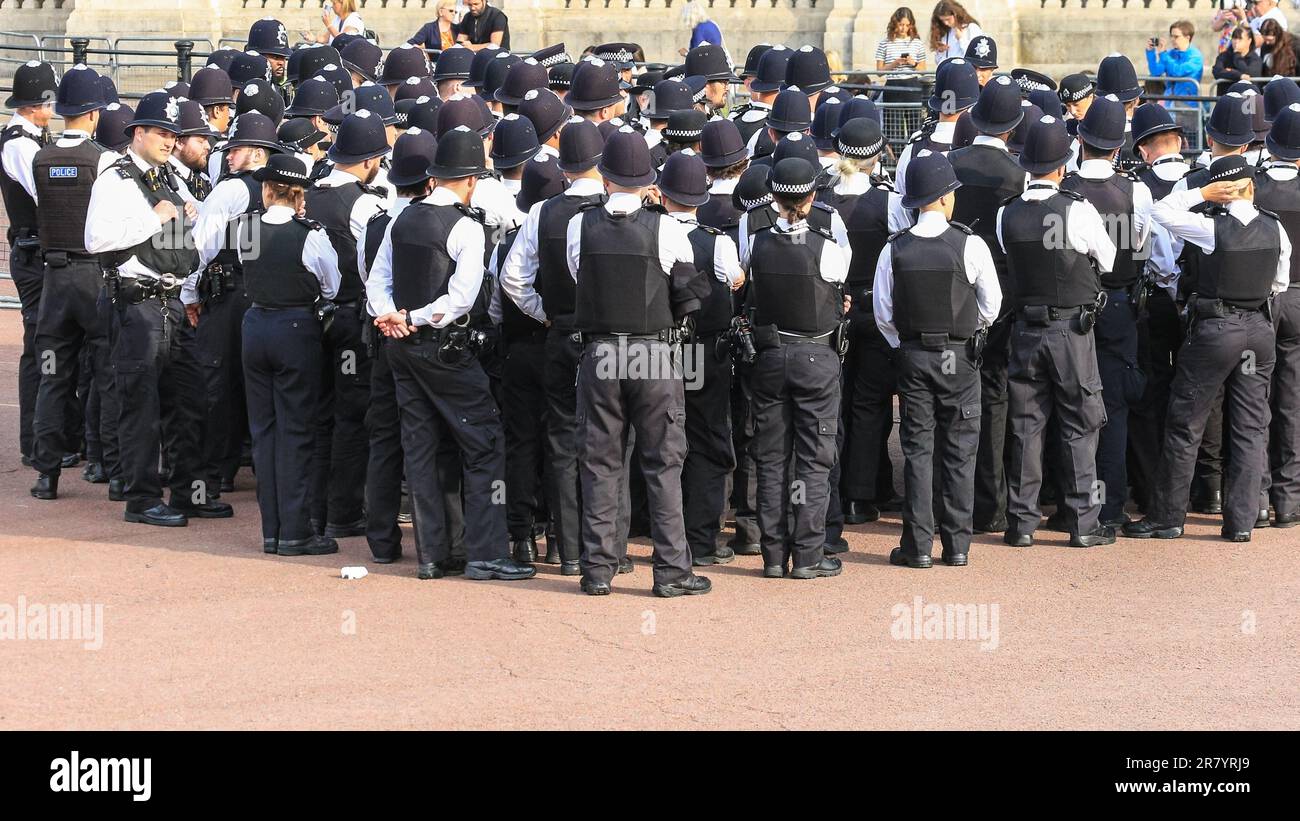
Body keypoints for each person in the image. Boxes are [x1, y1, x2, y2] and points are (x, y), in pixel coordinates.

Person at [369, 126, 536, 582]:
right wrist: (414, 317)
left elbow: (376, 279)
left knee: (421, 448)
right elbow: (462, 299)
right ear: (470, 180)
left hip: (400, 348)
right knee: (484, 445)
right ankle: (485, 553)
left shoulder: (400, 218)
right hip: (445, 350)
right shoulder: (467, 226)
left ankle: (431, 555)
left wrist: (391, 316)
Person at [565, 126, 712, 597]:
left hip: (600, 352)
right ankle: (671, 572)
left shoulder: (578, 224)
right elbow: (691, 294)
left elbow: (577, 275)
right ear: (650, 181)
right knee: (663, 465)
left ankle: (598, 570)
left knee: (600, 464)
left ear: (604, 177)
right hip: (652, 353)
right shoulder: (668, 228)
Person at [84, 92, 233, 527]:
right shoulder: (116, 177)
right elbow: (96, 240)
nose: (169, 141)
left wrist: (188, 210)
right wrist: (158, 217)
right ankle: (141, 498)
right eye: (161, 133)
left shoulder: (166, 176)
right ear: (138, 133)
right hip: (134, 304)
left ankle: (191, 492)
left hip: (168, 301)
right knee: (141, 407)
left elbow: (192, 217)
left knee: (188, 401)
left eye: (173, 134)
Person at [1125, 155, 1288, 542]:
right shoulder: (1275, 228)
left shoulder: (1211, 227)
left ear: (1222, 191)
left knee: (1186, 423)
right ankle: (1242, 522)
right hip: (1259, 330)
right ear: (1252, 186)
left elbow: (1160, 211)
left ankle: (1167, 518)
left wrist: (1199, 192)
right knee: (1251, 426)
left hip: (1216, 330)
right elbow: (1279, 283)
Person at [875, 149, 1001, 568]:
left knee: (918, 450)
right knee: (960, 451)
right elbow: (992, 306)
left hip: (913, 357)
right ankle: (958, 546)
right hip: (960, 359)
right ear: (947, 198)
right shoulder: (971, 244)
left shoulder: (893, 249)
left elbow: (884, 315)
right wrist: (965, 332)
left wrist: (907, 347)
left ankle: (917, 547)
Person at [995, 113, 1117, 548]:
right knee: (1080, 424)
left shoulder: (1005, 213)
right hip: (1070, 331)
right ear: (1064, 166)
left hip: (1025, 331)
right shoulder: (1078, 209)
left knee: (1026, 427)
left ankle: (1021, 524)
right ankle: (1084, 523)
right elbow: (1108, 260)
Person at [499, 120, 607, 577]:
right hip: (608, 339)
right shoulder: (620, 210)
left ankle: (566, 550)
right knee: (608, 443)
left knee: (561, 442)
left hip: (559, 335)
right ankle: (604, 547)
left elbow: (511, 279)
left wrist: (546, 314)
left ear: (564, 168)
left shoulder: (543, 212)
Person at [1060, 95, 1168, 529]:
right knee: (1115, 406)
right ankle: (1110, 505)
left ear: (1081, 139)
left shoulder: (1066, 186)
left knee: (1072, 406)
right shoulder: (1135, 189)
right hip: (1121, 304)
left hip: (1076, 308)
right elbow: (1143, 244)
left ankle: (1076, 505)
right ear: (1120, 144)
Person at [741, 156, 850, 580]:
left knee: (771, 459)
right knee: (813, 460)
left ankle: (772, 557)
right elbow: (836, 290)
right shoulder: (829, 248)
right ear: (811, 195)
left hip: (770, 357)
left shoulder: (756, 241)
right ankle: (806, 555)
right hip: (815, 358)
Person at [240, 154, 341, 556]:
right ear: (299, 194)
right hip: (295, 330)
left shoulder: (245, 229)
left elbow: (201, 258)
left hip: (254, 327)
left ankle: (272, 531)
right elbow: (331, 285)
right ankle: (296, 532)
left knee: (264, 433)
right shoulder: (310, 233)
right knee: (296, 432)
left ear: (266, 191)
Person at [27, 65, 119, 502]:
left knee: (53, 377)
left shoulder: (40, 157)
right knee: (108, 374)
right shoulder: (103, 159)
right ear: (95, 113)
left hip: (55, 281)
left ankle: (46, 474)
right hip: (95, 277)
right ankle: (112, 469)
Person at [189, 113, 286, 502]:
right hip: (271, 298)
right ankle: (268, 473)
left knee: (218, 384)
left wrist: (188, 294)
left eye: (237, 149)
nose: (228, 156)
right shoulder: (288, 185)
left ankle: (217, 473)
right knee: (264, 387)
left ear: (258, 152)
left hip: (230, 297)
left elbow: (200, 245)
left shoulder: (229, 191)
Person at [945, 76, 1026, 534]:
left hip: (949, 289)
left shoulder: (948, 163)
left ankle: (947, 501)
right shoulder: (1019, 175)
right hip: (1000, 294)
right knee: (994, 396)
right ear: (1014, 127)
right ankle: (989, 505)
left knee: (946, 398)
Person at [657, 149, 745, 566]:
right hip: (705, 352)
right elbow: (737, 284)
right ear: (703, 195)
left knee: (661, 440)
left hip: (659, 351)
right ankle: (703, 539)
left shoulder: (649, 231)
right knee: (709, 440)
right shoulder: (718, 242)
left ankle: (661, 531)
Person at [304, 111, 388, 538]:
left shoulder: (308, 189)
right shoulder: (366, 203)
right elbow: (378, 264)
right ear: (371, 159)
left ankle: (316, 511)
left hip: (307, 319)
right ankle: (343, 511)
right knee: (353, 416)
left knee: (318, 416)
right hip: (351, 320)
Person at [822, 118, 908, 524]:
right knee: (869, 405)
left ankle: (834, 491)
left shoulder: (821, 198)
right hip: (874, 310)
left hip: (831, 311)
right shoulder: (887, 201)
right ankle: (860, 495)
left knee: (834, 403)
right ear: (875, 156)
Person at [1, 60, 58, 471]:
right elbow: (47, 196)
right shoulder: (20, 143)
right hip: (32, 253)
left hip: (41, 252)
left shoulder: (33, 136)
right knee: (40, 344)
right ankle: (35, 441)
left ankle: (50, 436)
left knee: (51, 342)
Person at [1257, 103, 1300, 527]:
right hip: (1299, 302)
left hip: (1261, 302)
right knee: (1291, 401)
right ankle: (1289, 501)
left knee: (1256, 404)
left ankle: (1258, 498)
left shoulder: (1253, 186)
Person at [876, 7, 928, 138]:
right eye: (900, 24)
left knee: (915, 126)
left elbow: (923, 69)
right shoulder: (885, 43)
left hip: (912, 84)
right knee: (894, 128)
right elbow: (879, 71)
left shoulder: (917, 43)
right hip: (893, 85)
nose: (903, 28)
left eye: (906, 25)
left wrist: (913, 63)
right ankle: (896, 157)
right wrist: (894, 63)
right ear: (895, 24)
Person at [1145, 20, 1205, 106]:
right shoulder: (1169, 54)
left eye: (1176, 37)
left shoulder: (1195, 57)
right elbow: (1155, 72)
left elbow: (1178, 71)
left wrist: (1163, 54)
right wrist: (1150, 52)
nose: (1172, 39)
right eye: (1171, 36)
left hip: (1187, 103)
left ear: (1187, 38)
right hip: (1169, 101)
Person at [1214, 24, 1264, 95]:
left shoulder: (1255, 59)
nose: (1236, 41)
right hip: (1226, 98)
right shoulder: (1224, 55)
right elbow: (1217, 71)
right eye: (1234, 38)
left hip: (1247, 102)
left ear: (1249, 40)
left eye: (1240, 38)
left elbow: (1249, 73)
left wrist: (1237, 55)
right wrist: (1238, 75)